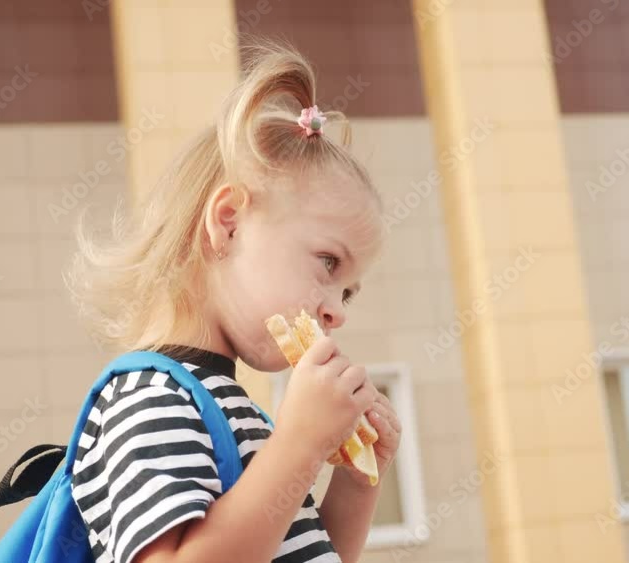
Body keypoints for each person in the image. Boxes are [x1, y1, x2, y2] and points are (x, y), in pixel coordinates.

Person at [63, 39, 402, 563]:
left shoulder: (244, 416)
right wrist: (300, 445)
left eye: (348, 292)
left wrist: (356, 484)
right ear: (228, 223)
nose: (338, 310)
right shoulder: (148, 397)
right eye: (330, 263)